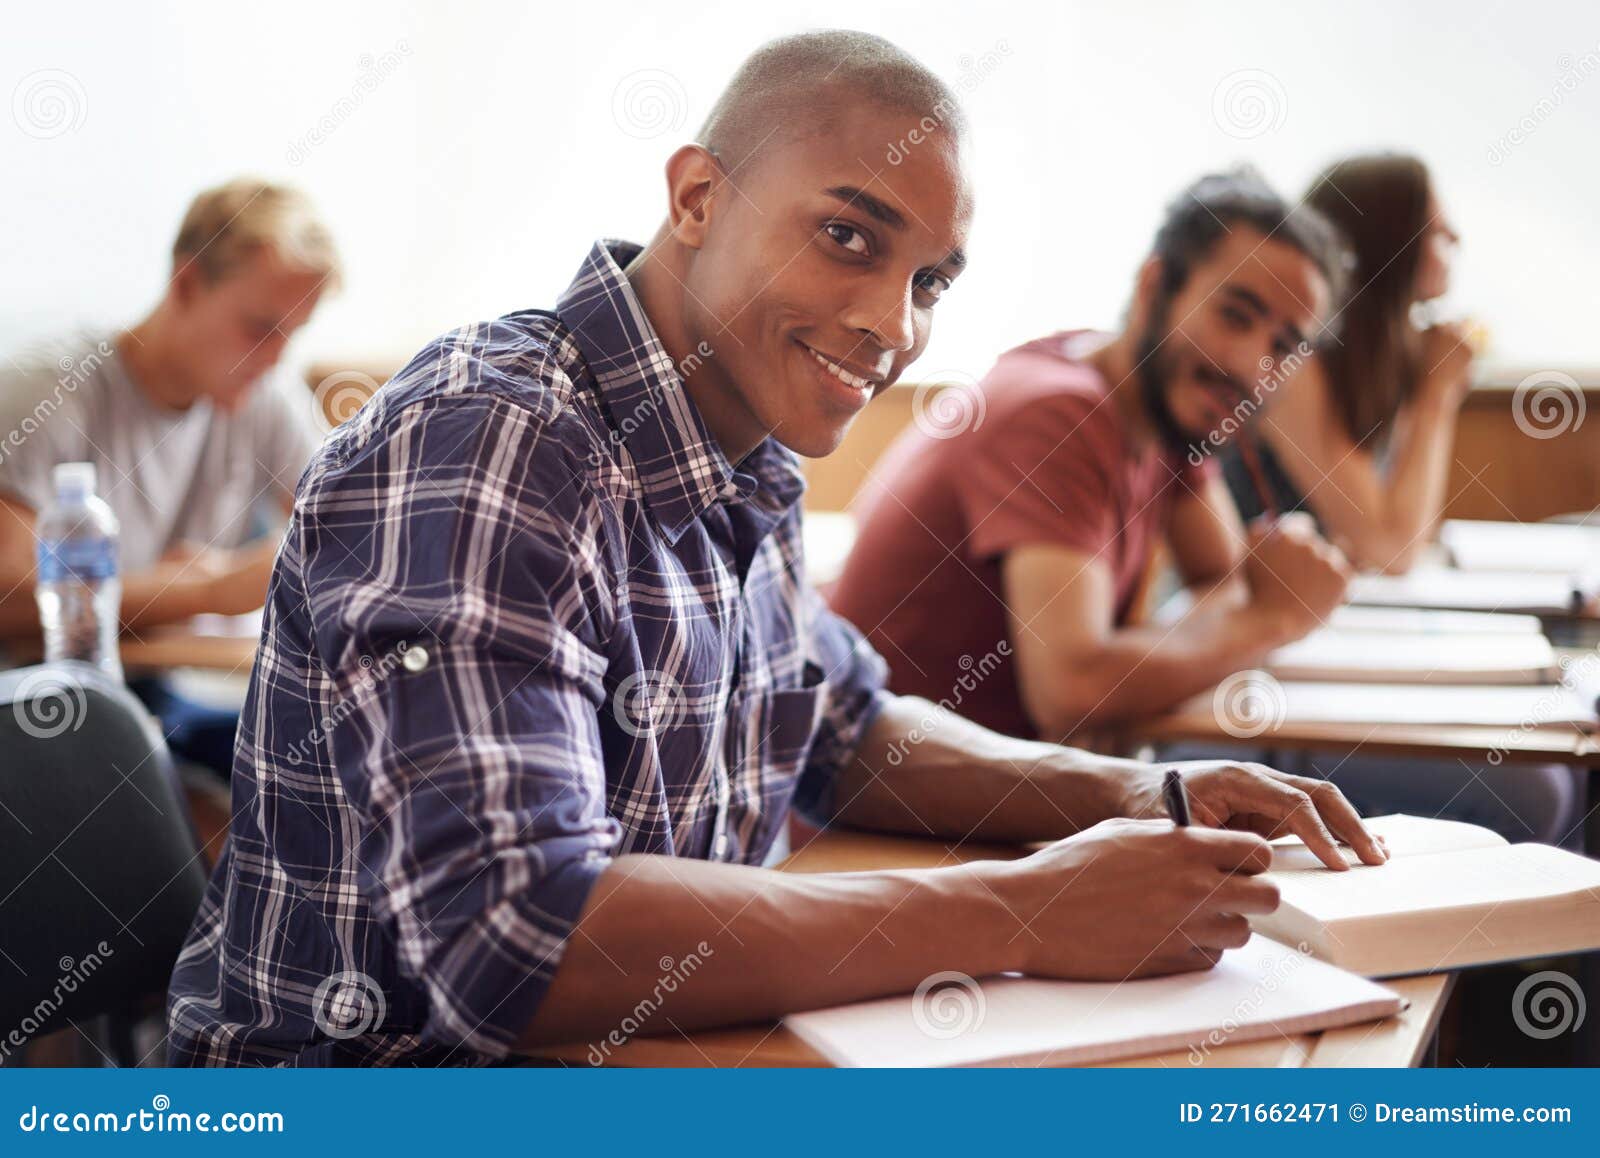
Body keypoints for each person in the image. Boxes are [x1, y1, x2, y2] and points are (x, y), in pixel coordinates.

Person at [166, 33, 1381, 1068]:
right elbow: (517, 932)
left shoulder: (741, 451)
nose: (891, 325)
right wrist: (1025, 909)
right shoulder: (495, 436)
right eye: (851, 237)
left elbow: (845, 729)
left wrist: (1138, 795)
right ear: (697, 196)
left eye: (931, 282)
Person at [830, 169, 1353, 740]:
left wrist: (1239, 620)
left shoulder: (1163, 402)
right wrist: (1271, 621)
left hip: (1000, 789)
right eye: (1235, 315)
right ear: (1156, 286)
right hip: (879, 809)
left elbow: (1222, 579)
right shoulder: (1059, 413)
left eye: (1282, 346)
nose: (1252, 365)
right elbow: (1072, 692)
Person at [0, 179, 339, 781]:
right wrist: (205, 590)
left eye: (293, 333)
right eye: (261, 329)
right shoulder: (52, 391)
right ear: (185, 283)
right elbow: (10, 600)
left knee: (322, 765)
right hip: (37, 707)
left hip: (149, 693)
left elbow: (341, 531)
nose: (276, 357)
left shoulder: (264, 395)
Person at [1221, 153, 1472, 572]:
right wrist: (1437, 397)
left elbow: (1413, 530)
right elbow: (1392, 550)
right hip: (1230, 607)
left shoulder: (1376, 361)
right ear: (1387, 244)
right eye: (1435, 229)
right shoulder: (1292, 363)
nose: (1456, 237)